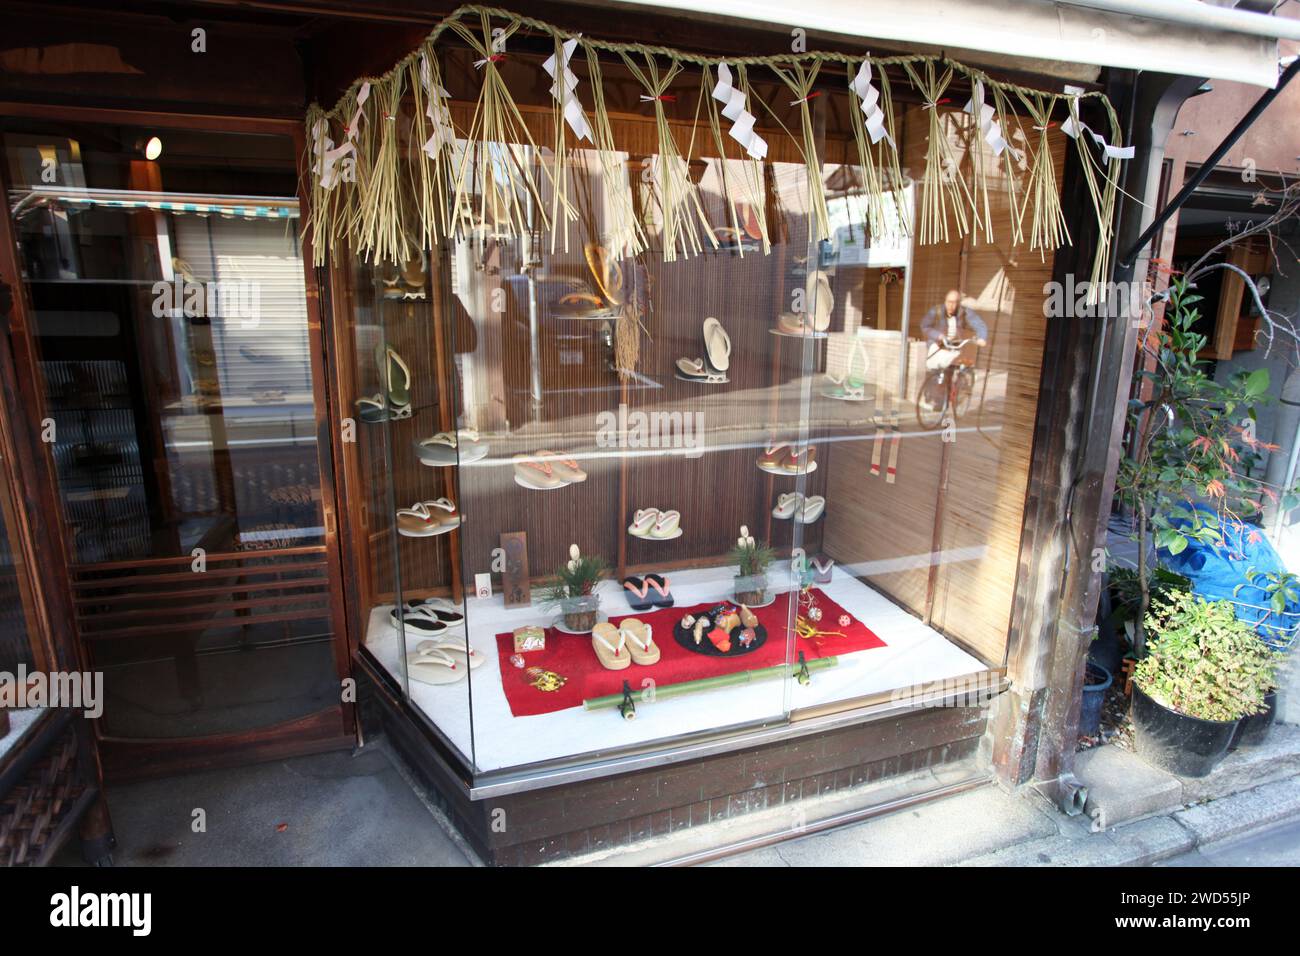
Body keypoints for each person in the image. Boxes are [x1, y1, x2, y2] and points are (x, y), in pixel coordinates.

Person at [920, 290, 987, 408]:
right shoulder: (936, 311)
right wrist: (938, 336)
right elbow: (925, 326)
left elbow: (979, 324)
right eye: (949, 302)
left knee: (950, 371)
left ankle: (946, 400)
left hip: (955, 345)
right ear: (945, 301)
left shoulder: (965, 312)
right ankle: (935, 397)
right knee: (935, 370)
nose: (951, 305)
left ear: (959, 304)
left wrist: (982, 337)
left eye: (954, 303)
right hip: (939, 344)